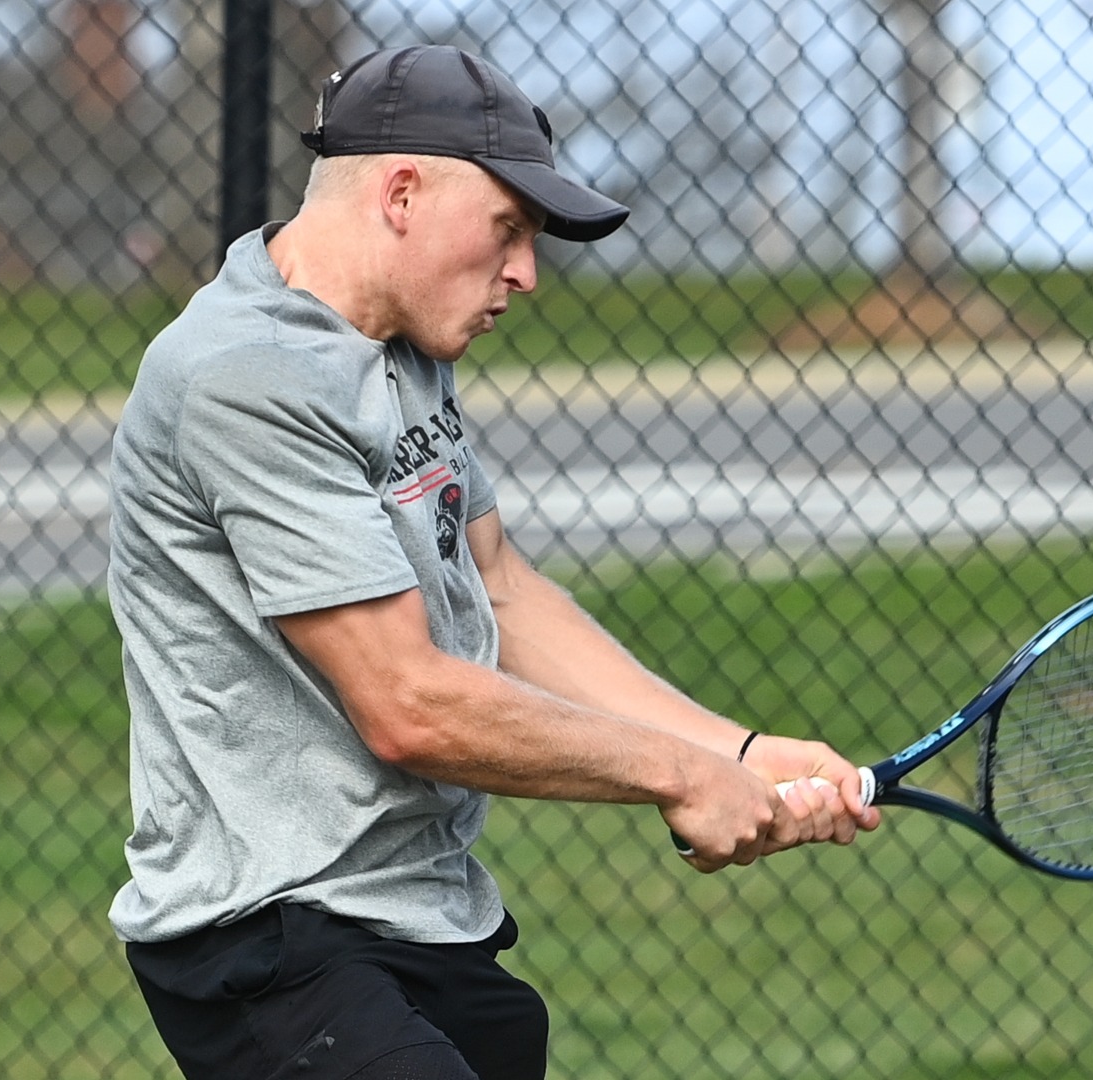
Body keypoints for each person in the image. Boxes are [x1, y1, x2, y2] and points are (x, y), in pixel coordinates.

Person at [105, 43, 880, 1080]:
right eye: (508, 230)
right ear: (402, 192)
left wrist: (733, 751)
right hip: (273, 938)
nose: (525, 271)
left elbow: (502, 590)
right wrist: (676, 775)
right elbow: (409, 703)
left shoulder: (400, 347)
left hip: (418, 914)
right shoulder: (251, 374)